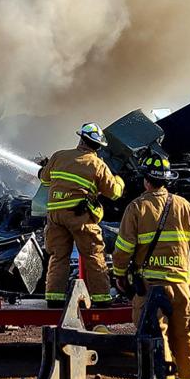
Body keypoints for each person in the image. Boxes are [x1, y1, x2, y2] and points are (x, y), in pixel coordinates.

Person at [112, 154, 190, 379]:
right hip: (181, 284)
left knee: (157, 334)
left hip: (151, 287)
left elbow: (123, 249)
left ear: (146, 181)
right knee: (184, 334)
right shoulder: (185, 206)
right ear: (167, 181)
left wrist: (119, 274)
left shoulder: (136, 208)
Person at [39, 123, 125, 309]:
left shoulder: (59, 156)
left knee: (58, 256)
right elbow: (115, 193)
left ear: (81, 139)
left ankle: (54, 298)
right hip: (80, 216)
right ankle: (101, 298)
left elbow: (45, 179)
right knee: (93, 255)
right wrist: (118, 180)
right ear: (98, 146)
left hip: (55, 215)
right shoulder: (97, 164)